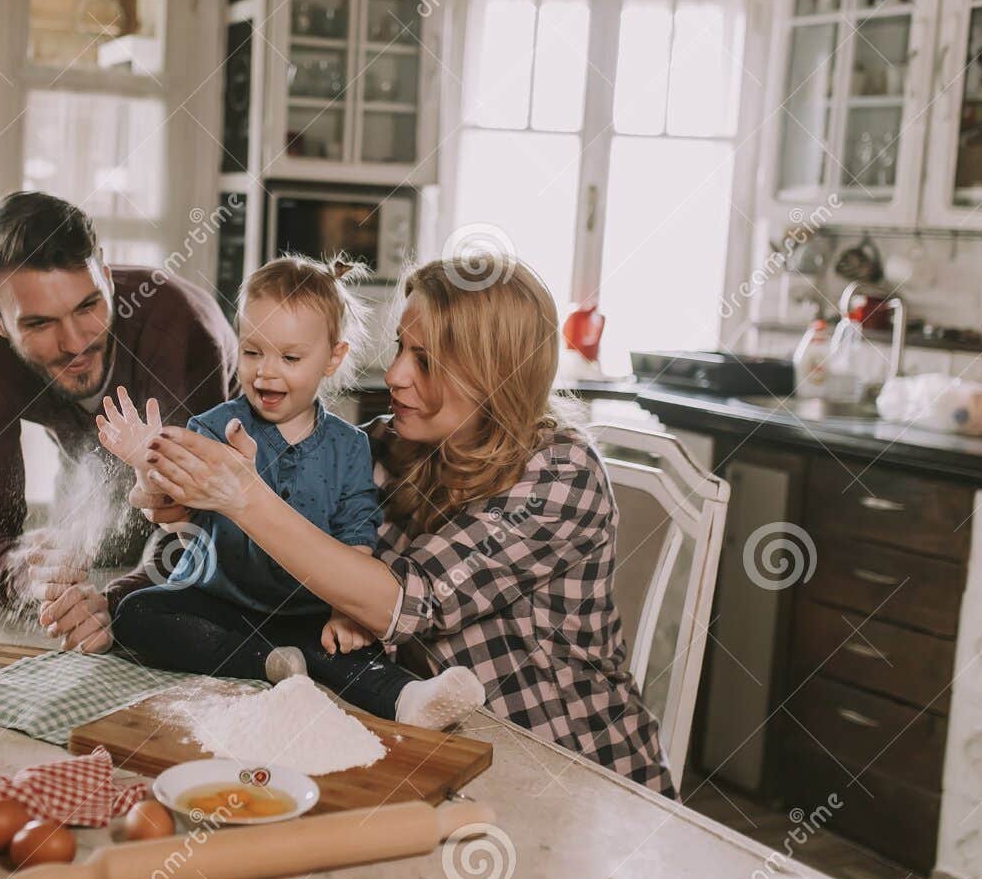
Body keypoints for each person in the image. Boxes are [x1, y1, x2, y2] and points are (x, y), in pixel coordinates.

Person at [133, 256, 676, 796]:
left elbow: (406, 604)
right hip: (451, 755)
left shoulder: (561, 472)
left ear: (496, 375)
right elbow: (258, 550)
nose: (394, 375)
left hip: (574, 772)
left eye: (427, 360)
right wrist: (144, 573)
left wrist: (243, 497)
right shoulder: (388, 446)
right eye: (400, 347)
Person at [99, 256, 486, 730]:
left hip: (304, 609)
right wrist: (148, 468)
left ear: (334, 359)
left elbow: (357, 528)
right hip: (217, 602)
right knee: (137, 613)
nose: (267, 373)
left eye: (290, 358)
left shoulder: (350, 446)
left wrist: (344, 611)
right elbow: (172, 513)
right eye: (252, 352)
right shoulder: (211, 427)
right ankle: (267, 662)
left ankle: (408, 698)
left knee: (350, 651)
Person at [0, 190, 237, 650]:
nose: (75, 343)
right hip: (87, 468)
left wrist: (113, 601)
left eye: (88, 306)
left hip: (220, 504)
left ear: (104, 273)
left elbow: (200, 526)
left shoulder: (180, 330)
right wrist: (27, 575)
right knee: (67, 572)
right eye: (39, 324)